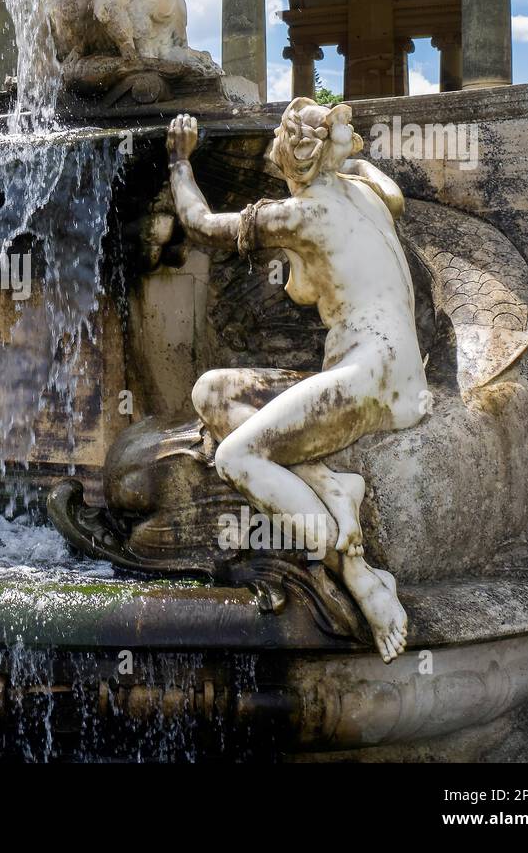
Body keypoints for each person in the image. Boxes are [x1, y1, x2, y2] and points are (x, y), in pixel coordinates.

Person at [168, 99, 426, 662]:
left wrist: (180, 164)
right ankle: (332, 485)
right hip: (387, 368)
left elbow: (203, 226)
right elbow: (390, 189)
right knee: (211, 391)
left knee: (236, 458)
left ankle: (357, 571)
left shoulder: (302, 215)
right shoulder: (370, 193)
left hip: (369, 375)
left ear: (290, 159)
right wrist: (348, 160)